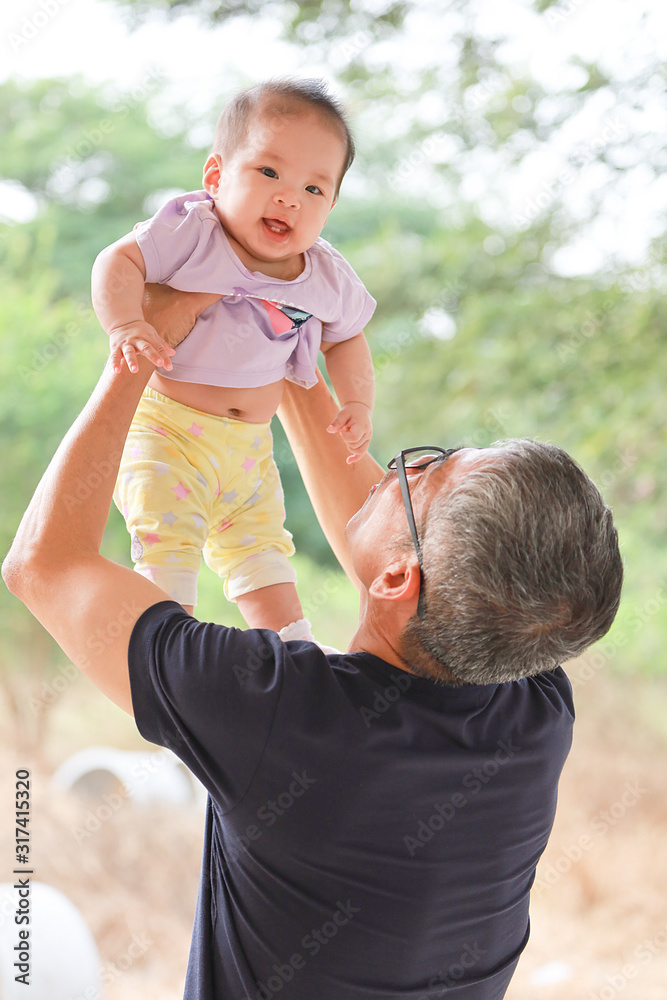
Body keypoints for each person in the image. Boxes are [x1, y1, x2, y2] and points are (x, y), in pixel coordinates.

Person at [3, 286, 623, 1000]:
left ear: (398, 578)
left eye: (421, 474)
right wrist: (284, 331)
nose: (391, 470)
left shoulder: (274, 714)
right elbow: (391, 545)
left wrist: (132, 357)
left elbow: (42, 566)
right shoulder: (535, 698)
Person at [91, 77, 376, 633]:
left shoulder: (323, 274)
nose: (289, 197)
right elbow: (117, 262)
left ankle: (293, 650)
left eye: (314, 189)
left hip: (249, 447)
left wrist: (358, 402)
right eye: (269, 172)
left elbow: (348, 338)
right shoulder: (193, 232)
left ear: (332, 204)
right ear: (216, 176)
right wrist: (125, 324)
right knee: (166, 538)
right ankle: (167, 648)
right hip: (167, 429)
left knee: (262, 547)